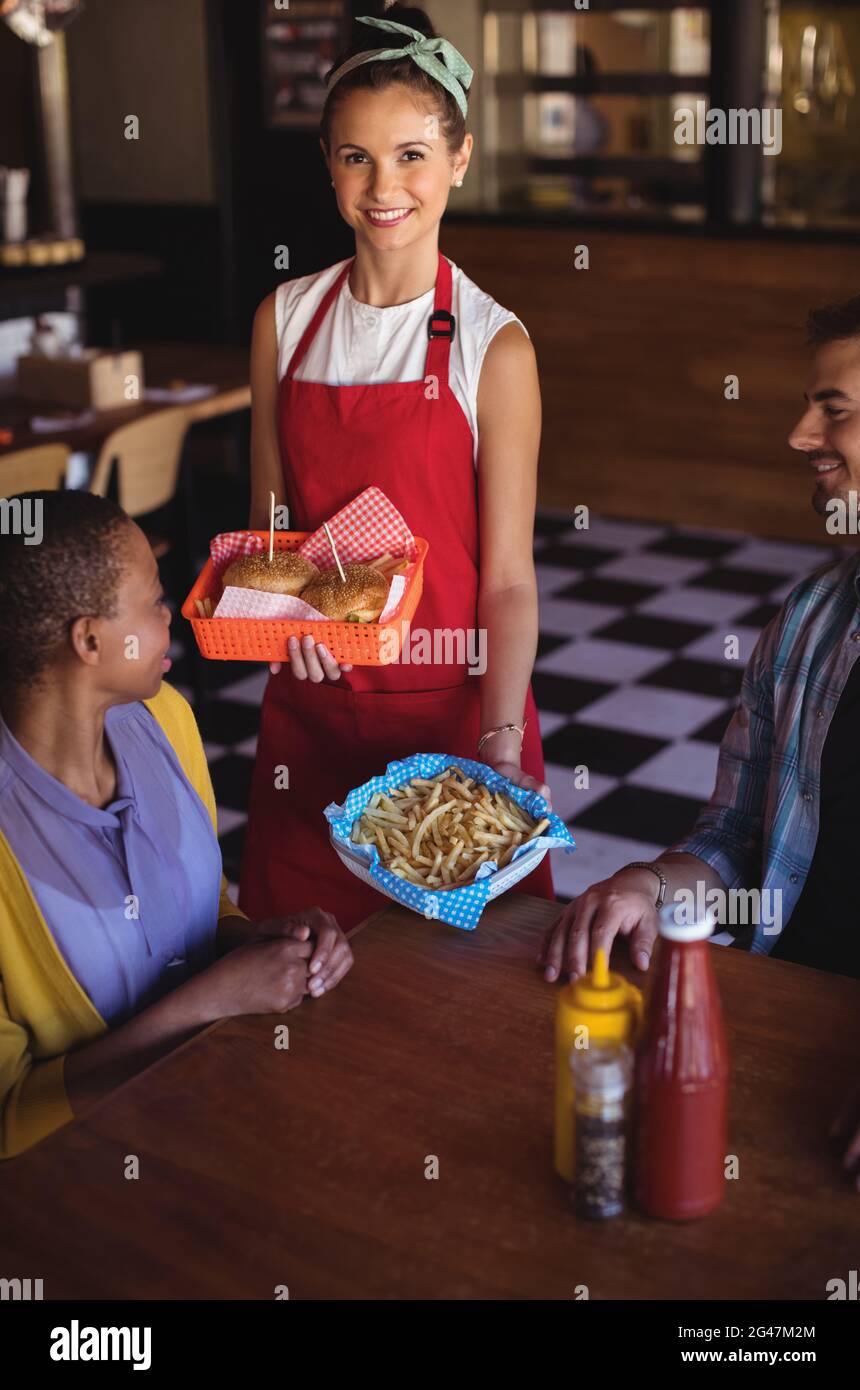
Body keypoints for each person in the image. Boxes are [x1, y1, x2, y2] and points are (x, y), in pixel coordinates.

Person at [540, 290, 860, 1196]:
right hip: (784, 1027)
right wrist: (653, 885)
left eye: (832, 409)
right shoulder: (809, 619)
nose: (801, 435)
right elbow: (736, 839)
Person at [240, 6, 555, 928]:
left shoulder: (494, 350)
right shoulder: (282, 321)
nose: (385, 186)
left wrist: (498, 747)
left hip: (452, 723)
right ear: (329, 162)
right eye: (356, 157)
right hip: (315, 708)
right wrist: (277, 623)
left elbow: (506, 580)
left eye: (413, 154)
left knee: (464, 1000)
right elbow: (269, 538)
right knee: (297, 982)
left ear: (460, 158)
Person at [0, 491, 352, 1159]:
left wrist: (262, 942)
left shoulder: (166, 720)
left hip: (226, 1116)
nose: (173, 617)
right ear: (89, 639)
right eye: (155, 599)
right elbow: (10, 1120)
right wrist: (209, 1003)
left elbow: (204, 911)